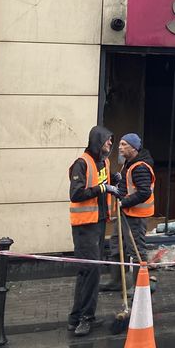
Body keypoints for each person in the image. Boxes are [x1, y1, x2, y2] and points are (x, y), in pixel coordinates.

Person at [68, 125, 119, 336]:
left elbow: (102, 182)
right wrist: (103, 188)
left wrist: (112, 180)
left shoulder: (104, 162)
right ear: (98, 141)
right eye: (108, 140)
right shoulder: (82, 163)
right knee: (90, 270)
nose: (111, 143)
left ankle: (78, 317)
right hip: (84, 226)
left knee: (89, 271)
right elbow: (76, 194)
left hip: (98, 222)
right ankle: (84, 318)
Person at [101, 133, 155, 293]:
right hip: (126, 213)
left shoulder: (140, 167)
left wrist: (124, 202)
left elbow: (144, 192)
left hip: (135, 216)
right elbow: (128, 185)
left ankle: (140, 287)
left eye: (124, 144)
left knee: (137, 250)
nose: (120, 147)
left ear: (134, 148)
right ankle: (117, 281)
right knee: (117, 244)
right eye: (120, 144)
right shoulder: (129, 163)